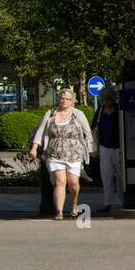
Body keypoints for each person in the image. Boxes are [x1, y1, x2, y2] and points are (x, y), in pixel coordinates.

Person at [29, 88, 96, 219]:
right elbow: (41, 131)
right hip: (54, 153)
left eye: (67, 99)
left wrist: (92, 149)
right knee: (60, 182)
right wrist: (34, 147)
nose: (64, 101)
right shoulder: (50, 114)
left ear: (72, 101)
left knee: (73, 183)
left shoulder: (78, 114)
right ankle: (59, 211)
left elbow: (88, 133)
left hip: (74, 154)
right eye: (62, 98)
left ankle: (74, 203)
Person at [92, 88, 124, 211]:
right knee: (106, 175)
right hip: (104, 147)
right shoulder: (100, 111)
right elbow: (94, 130)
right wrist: (94, 148)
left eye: (107, 100)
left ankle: (123, 201)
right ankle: (107, 202)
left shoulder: (119, 109)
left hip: (119, 147)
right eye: (103, 101)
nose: (105, 103)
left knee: (121, 176)